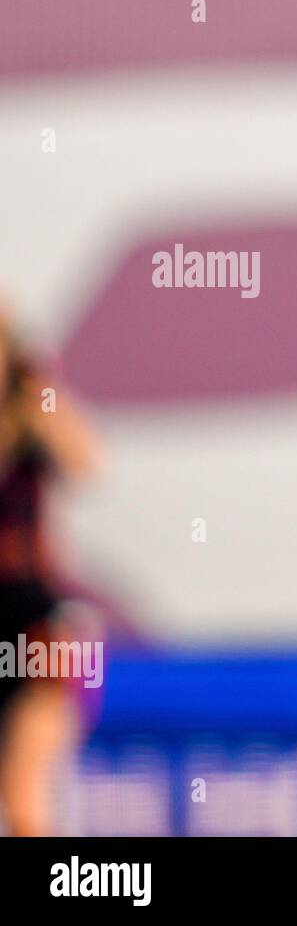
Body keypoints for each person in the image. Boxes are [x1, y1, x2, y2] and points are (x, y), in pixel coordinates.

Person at [0, 312, 102, 835]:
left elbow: (87, 461)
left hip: (32, 625)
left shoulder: (36, 422)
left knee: (23, 795)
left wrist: (39, 385)